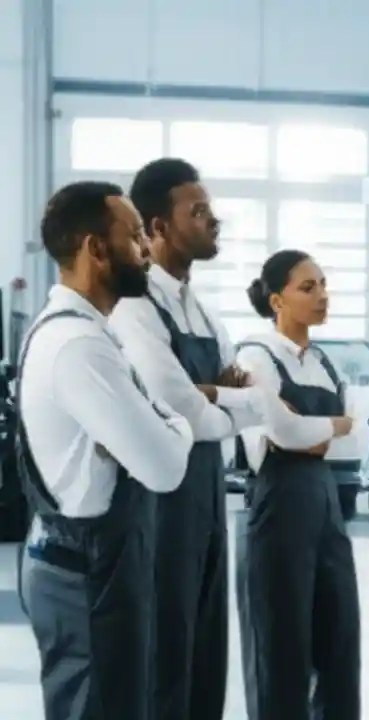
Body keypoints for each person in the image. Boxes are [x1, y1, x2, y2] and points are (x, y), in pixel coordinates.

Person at [17, 181, 194, 719]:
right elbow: (164, 467)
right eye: (136, 235)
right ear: (96, 249)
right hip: (87, 576)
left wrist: (161, 422)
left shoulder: (88, 332)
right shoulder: (81, 346)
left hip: (92, 565)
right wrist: (178, 423)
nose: (146, 250)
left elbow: (153, 432)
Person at [108, 158, 258, 720]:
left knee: (206, 655)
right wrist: (222, 401)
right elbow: (183, 411)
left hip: (210, 504)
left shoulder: (205, 313)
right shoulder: (135, 308)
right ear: (157, 228)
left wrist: (217, 398)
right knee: (166, 657)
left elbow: (242, 398)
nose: (213, 221)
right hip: (159, 509)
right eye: (198, 212)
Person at [234, 249, 367, 719]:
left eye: (324, 285)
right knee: (281, 646)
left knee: (340, 640)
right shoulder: (255, 355)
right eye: (308, 287)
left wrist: (314, 430)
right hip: (278, 506)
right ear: (277, 300)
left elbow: (359, 440)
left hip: (327, 505)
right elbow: (282, 434)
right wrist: (334, 425)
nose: (322, 296)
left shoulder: (326, 364)